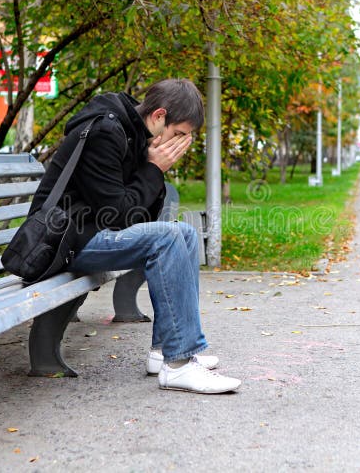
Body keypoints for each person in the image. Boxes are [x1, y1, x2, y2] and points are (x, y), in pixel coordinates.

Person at [29, 78, 241, 394]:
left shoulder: (134, 133)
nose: (178, 145)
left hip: (91, 232)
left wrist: (152, 168)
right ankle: (179, 365)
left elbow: (137, 216)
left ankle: (164, 350)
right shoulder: (105, 133)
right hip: (65, 241)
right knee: (168, 237)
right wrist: (153, 170)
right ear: (159, 116)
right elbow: (118, 218)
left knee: (184, 233)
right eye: (178, 135)